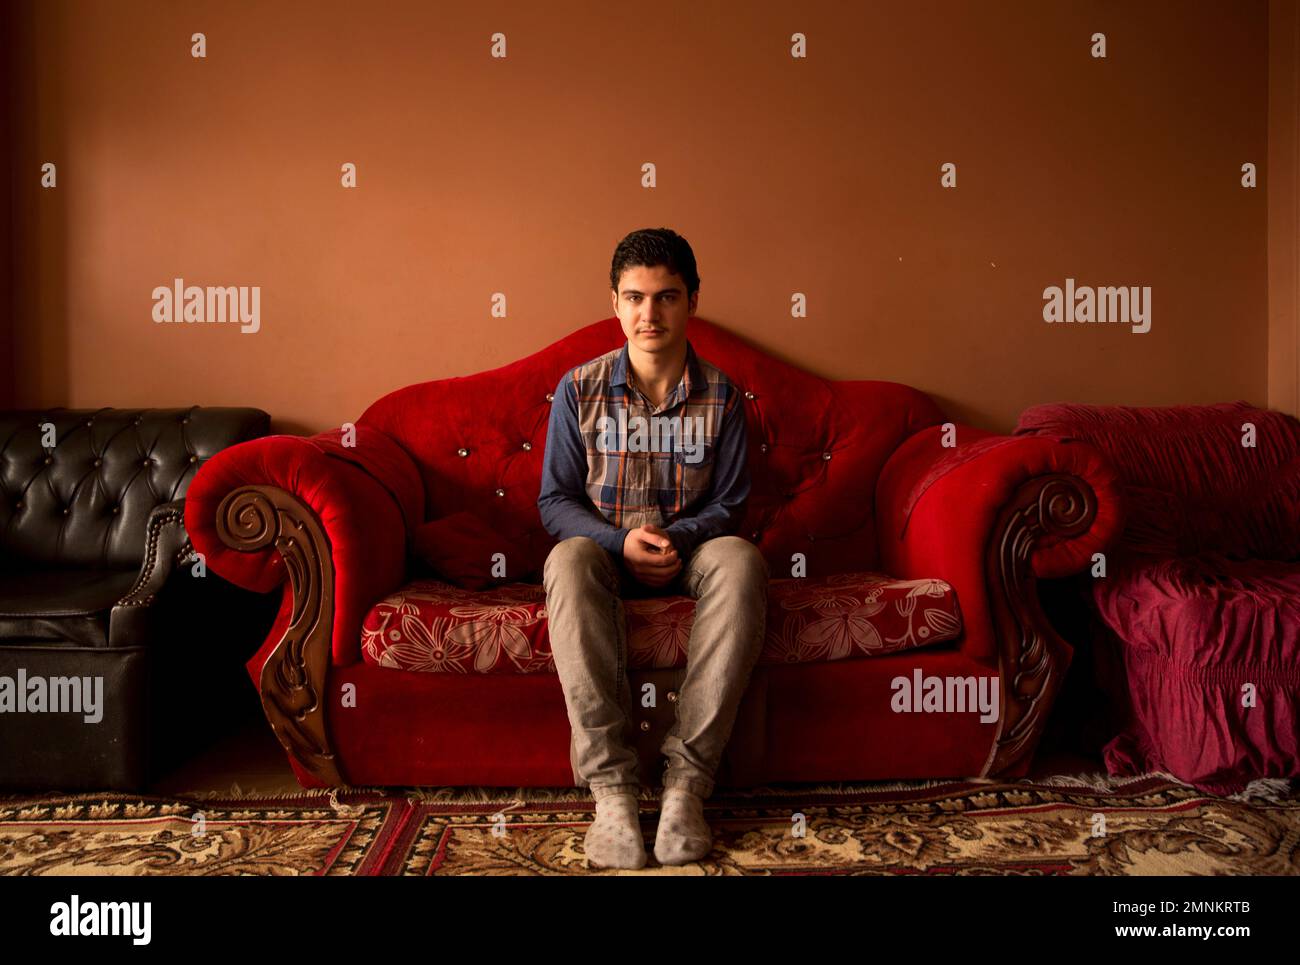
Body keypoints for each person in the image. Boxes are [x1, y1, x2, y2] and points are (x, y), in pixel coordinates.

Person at [538, 227, 768, 869]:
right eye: (635, 297)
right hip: (604, 551)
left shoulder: (723, 396)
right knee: (567, 558)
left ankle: (686, 787)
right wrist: (618, 541)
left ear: (692, 300)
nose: (649, 314)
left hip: (692, 551)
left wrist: (677, 538)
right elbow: (554, 503)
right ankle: (611, 793)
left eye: (666, 297)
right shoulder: (577, 390)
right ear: (614, 302)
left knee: (741, 558)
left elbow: (731, 504)